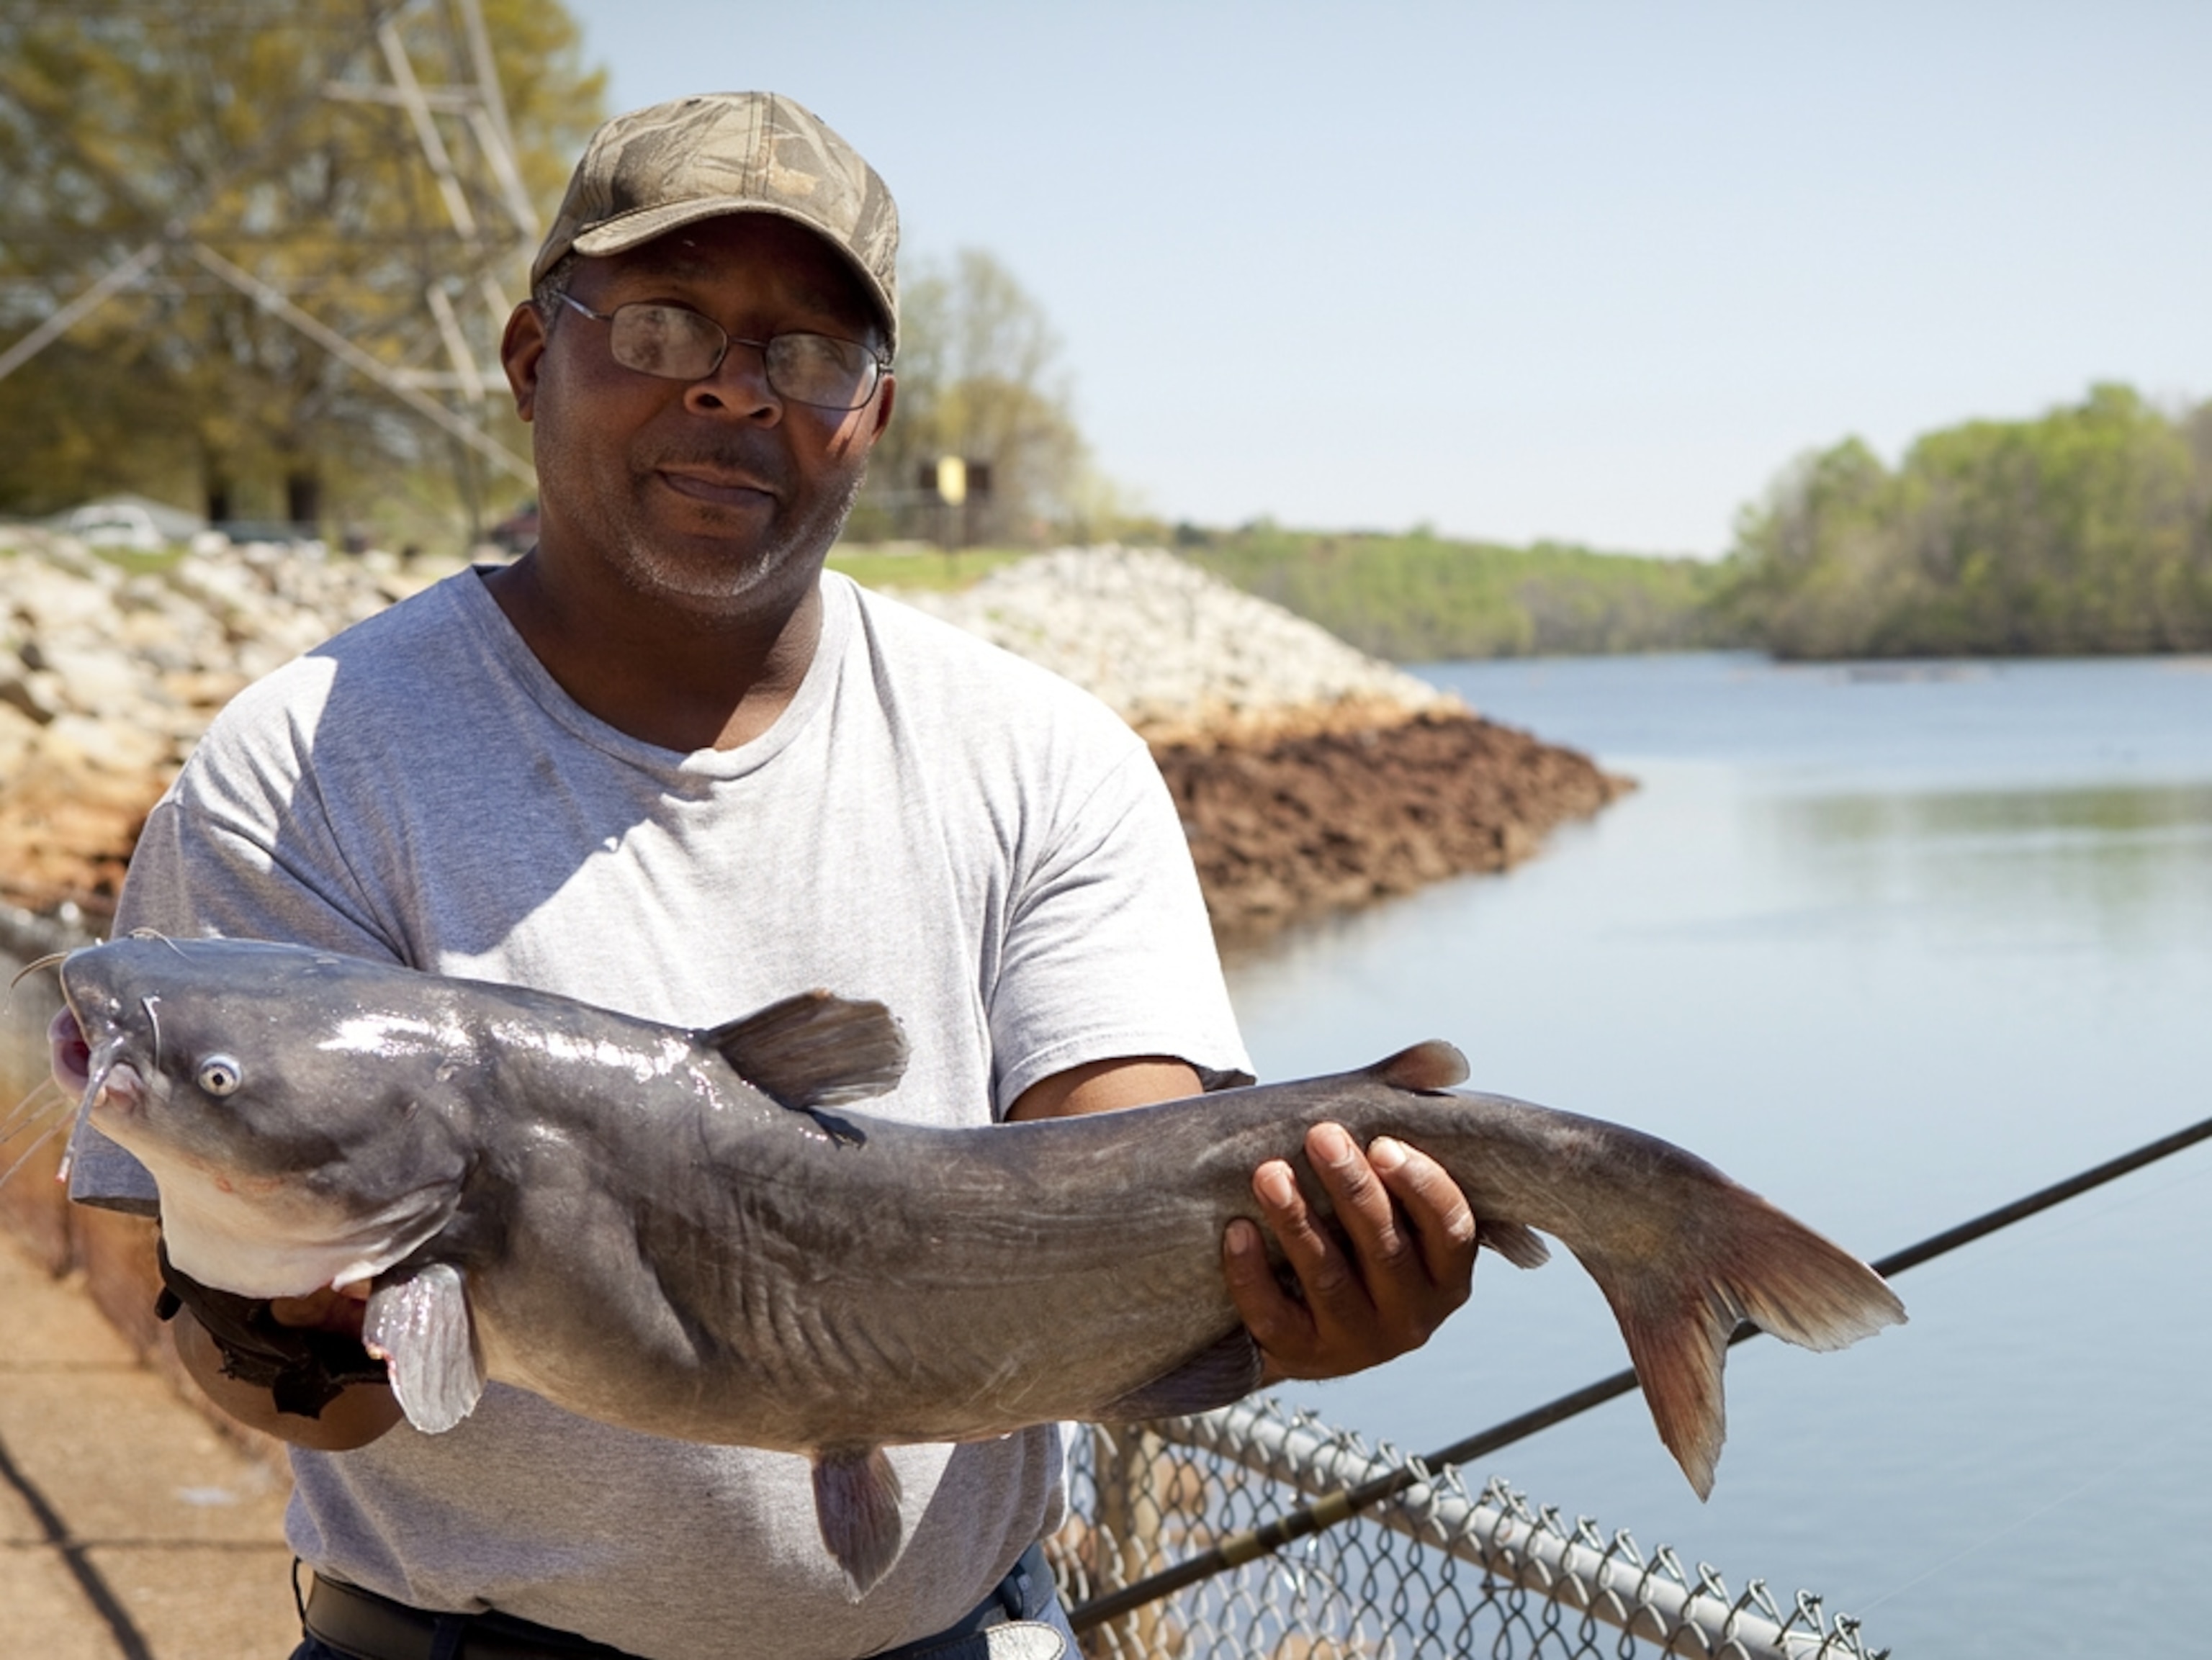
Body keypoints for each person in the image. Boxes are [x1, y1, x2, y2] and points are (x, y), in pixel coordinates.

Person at [65, 91, 1478, 1660]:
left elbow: (1115, 1173)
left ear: (871, 414)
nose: (738, 394)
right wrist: (299, 1322)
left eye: (807, 354)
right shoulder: (300, 762)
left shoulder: (1045, 755)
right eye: (666, 326)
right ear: (535, 358)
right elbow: (270, 1391)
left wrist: (1285, 1290)